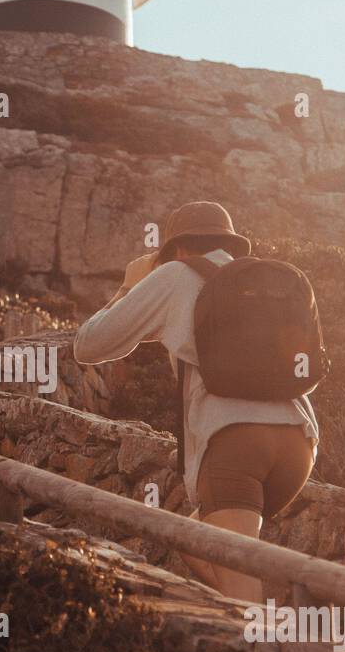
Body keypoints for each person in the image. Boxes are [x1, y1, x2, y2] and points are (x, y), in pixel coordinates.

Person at [73, 201, 319, 602]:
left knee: (241, 585)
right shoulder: (266, 283)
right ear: (229, 244)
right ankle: (277, 630)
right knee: (189, 537)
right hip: (299, 444)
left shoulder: (175, 275)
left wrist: (129, 287)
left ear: (179, 249)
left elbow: (89, 345)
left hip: (234, 446)